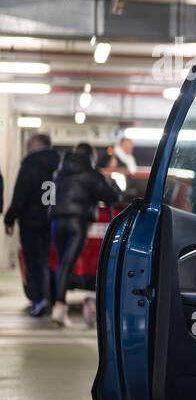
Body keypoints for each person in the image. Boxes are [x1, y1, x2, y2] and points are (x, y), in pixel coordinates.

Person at [48, 143, 119, 327]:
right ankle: (59, 307)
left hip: (56, 222)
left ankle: (59, 306)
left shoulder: (59, 173)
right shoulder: (92, 175)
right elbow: (112, 196)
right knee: (67, 263)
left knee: (62, 263)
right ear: (90, 156)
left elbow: (48, 196)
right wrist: (112, 183)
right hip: (77, 223)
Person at [3, 133, 60, 316]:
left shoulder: (30, 164)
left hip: (31, 221)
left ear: (36, 144)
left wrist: (9, 218)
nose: (27, 146)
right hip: (52, 221)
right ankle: (48, 298)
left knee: (34, 262)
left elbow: (21, 194)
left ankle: (40, 300)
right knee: (44, 261)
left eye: (29, 143)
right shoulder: (59, 162)